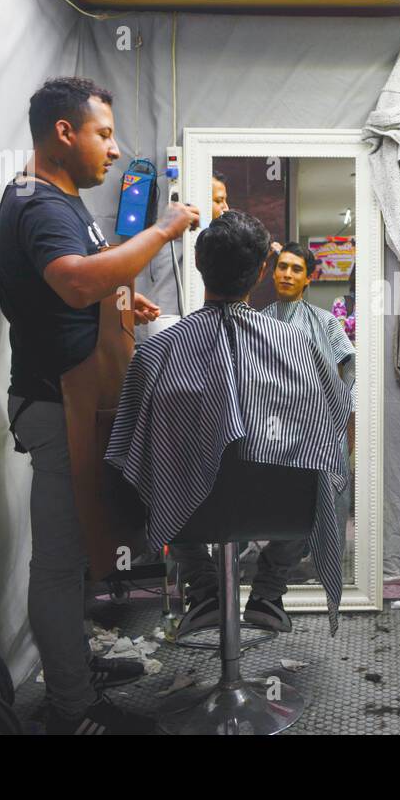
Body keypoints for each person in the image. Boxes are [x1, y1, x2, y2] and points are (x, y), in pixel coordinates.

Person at [0, 76, 199, 735]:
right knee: (57, 563)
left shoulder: (61, 199)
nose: (113, 150)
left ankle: (73, 664)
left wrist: (121, 302)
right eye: (103, 134)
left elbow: (86, 282)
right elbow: (77, 281)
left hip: (70, 398)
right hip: (57, 403)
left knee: (82, 547)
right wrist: (165, 230)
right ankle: (71, 709)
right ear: (64, 132)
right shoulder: (42, 206)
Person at [106, 211, 352, 637]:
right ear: (262, 272)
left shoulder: (155, 352)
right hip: (282, 511)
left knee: (152, 470)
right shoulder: (300, 346)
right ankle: (267, 591)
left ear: (198, 264)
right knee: (326, 476)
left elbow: (126, 453)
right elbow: (332, 431)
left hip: (189, 515)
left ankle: (204, 590)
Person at [180, 242, 355, 633]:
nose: (288, 275)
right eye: (281, 267)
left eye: (297, 269)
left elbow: (344, 383)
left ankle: (264, 590)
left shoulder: (325, 324)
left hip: (303, 436)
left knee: (313, 489)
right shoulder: (256, 322)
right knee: (295, 494)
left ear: (309, 278)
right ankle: (243, 590)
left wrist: (337, 433)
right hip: (258, 436)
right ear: (267, 273)